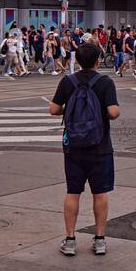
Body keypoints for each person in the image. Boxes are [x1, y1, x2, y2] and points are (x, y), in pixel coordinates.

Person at [49, 40, 120, 257]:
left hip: (73, 147)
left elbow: (53, 109)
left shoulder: (67, 81)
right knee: (100, 192)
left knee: (73, 192)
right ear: (98, 60)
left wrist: (71, 109)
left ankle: (70, 240)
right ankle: (99, 240)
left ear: (77, 60)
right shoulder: (105, 82)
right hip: (100, 145)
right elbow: (114, 112)